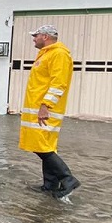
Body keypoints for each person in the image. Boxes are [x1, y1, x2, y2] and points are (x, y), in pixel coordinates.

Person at [20, 24, 81, 199]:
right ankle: (50, 185)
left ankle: (68, 179)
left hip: (45, 111)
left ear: (45, 37)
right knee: (44, 146)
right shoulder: (47, 54)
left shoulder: (59, 54)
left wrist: (46, 105)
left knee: (41, 146)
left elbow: (58, 83)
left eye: (36, 35)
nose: (34, 39)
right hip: (38, 109)